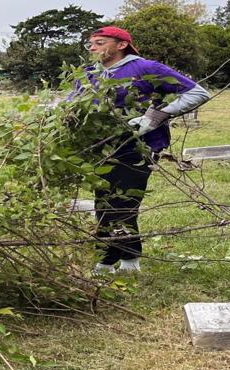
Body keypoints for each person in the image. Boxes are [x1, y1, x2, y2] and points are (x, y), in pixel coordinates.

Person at [79, 25, 208, 274]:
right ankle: (108, 258)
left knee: (124, 199)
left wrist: (157, 115)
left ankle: (127, 260)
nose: (93, 48)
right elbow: (74, 102)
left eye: (99, 42)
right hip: (100, 146)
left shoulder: (145, 68)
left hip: (137, 145)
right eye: (90, 44)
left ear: (121, 44)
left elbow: (197, 93)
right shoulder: (89, 73)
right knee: (103, 200)